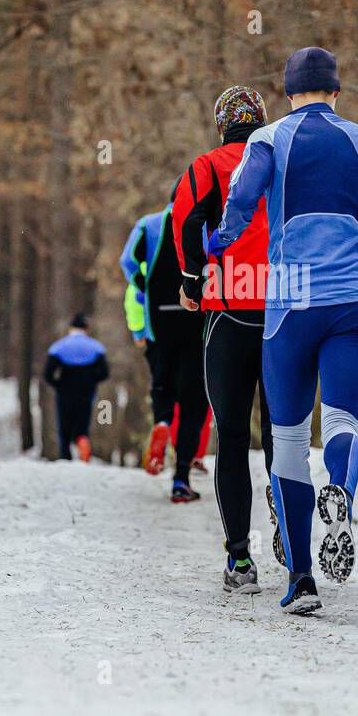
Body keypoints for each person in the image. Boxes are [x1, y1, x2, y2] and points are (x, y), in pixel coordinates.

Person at [210, 47, 358, 614]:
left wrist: (223, 241)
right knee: (343, 422)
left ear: (286, 93)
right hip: (353, 300)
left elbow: (242, 198)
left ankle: (301, 579)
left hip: (290, 304)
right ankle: (342, 494)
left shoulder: (269, 140)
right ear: (336, 90)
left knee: (285, 440)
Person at [173, 85, 275, 595]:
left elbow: (187, 219)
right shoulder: (282, 157)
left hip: (229, 313)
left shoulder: (208, 166)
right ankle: (291, 534)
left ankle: (240, 560)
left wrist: (192, 283)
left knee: (232, 436)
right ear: (261, 118)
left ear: (222, 125)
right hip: (284, 311)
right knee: (286, 433)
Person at [119, 206, 209, 502]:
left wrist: (145, 285)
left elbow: (128, 260)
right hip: (196, 319)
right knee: (194, 401)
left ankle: (162, 421)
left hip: (158, 320)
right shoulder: (206, 222)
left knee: (163, 382)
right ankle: (181, 476)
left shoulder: (149, 224)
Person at [42, 313, 110, 462]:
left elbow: (47, 374)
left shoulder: (58, 347)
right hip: (87, 389)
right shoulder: (96, 347)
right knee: (82, 422)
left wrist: (58, 385)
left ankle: (65, 457)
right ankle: (82, 441)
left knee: (64, 425)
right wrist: (92, 381)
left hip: (65, 389)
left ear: (71, 327)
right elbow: (105, 373)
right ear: (86, 328)